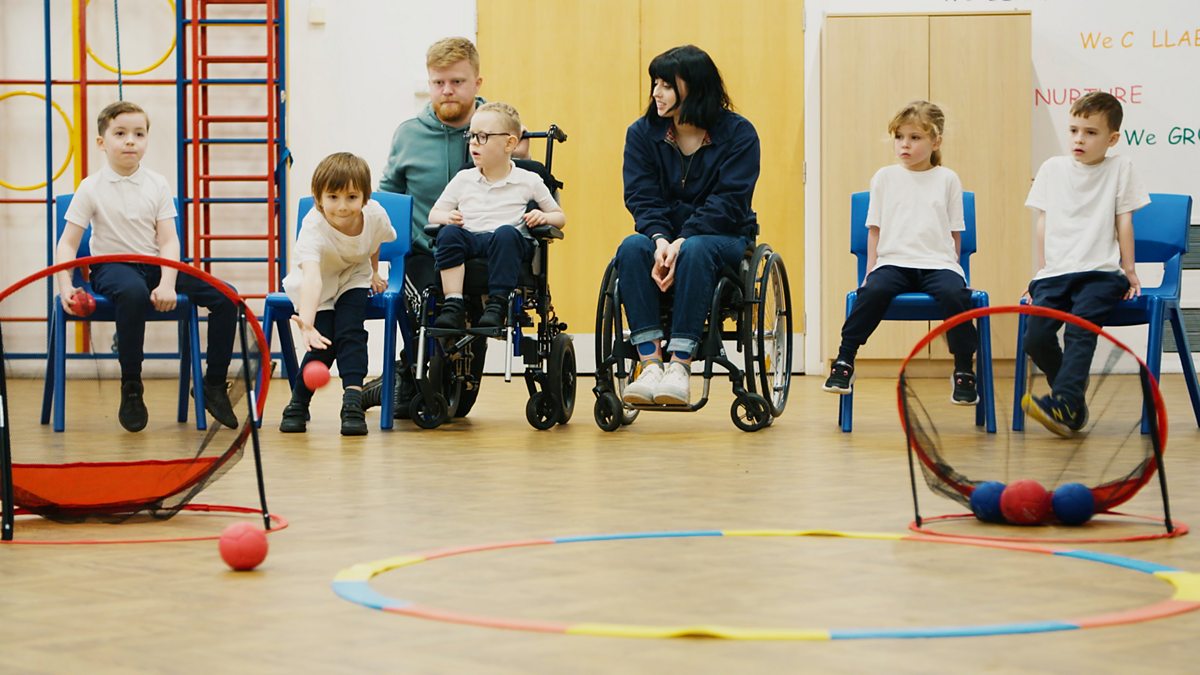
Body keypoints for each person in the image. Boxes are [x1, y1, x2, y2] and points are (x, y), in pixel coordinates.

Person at [54, 100, 239, 433]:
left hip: (156, 265)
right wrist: (65, 286)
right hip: (112, 267)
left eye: (138, 134)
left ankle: (212, 384)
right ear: (102, 142)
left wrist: (168, 282)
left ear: (146, 141)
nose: (130, 141)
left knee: (226, 296)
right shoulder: (90, 187)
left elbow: (169, 241)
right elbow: (67, 244)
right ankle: (132, 386)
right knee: (134, 292)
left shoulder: (158, 184)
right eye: (120, 133)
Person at [615, 45, 759, 407]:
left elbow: (729, 201)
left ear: (694, 87)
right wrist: (662, 238)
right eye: (655, 84)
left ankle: (680, 364)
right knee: (631, 247)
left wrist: (683, 239)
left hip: (722, 235)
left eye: (666, 85)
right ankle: (650, 363)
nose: (655, 93)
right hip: (664, 235)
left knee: (695, 249)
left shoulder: (739, 134)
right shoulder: (643, 133)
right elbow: (641, 196)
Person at [822, 100, 979, 406]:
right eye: (899, 137)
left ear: (936, 142)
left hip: (938, 264)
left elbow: (955, 233)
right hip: (894, 262)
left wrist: (955, 269)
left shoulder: (948, 179)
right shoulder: (884, 177)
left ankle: (963, 368)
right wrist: (870, 272)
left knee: (955, 297)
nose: (905, 144)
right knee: (873, 292)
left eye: (915, 138)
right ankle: (844, 361)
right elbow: (875, 230)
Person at [1021, 91, 1149, 437]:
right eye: (1074, 130)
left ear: (1112, 138)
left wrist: (1130, 270)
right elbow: (1043, 224)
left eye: (1090, 133)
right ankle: (1071, 401)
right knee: (1036, 338)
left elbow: (1124, 222)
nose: (1080, 139)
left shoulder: (1121, 168)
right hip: (1057, 273)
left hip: (1101, 274)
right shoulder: (1052, 168)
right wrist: (1040, 273)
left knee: (1080, 329)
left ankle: (1064, 399)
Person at [374, 36, 484, 414]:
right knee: (420, 304)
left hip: (481, 251)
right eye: (439, 83)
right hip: (424, 253)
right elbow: (386, 199)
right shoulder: (409, 134)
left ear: (477, 83)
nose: (447, 91)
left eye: (457, 81)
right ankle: (411, 371)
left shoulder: (499, 128)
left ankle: (417, 377)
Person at [278, 152, 397, 436]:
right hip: (319, 280)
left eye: (352, 197)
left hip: (354, 275)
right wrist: (306, 323)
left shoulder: (375, 215)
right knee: (325, 340)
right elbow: (313, 278)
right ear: (318, 198)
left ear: (365, 198)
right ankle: (299, 401)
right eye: (333, 197)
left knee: (350, 332)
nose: (342, 207)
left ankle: (352, 402)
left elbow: (375, 241)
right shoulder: (313, 228)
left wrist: (375, 271)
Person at [429, 102, 565, 330]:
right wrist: (447, 217)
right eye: (471, 136)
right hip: (471, 239)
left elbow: (559, 217)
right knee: (449, 234)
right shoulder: (464, 178)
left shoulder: (528, 180)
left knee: (506, 234)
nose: (473, 142)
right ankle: (453, 303)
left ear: (510, 143)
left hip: (508, 243)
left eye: (482, 136)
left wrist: (543, 217)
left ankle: (497, 303)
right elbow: (434, 214)